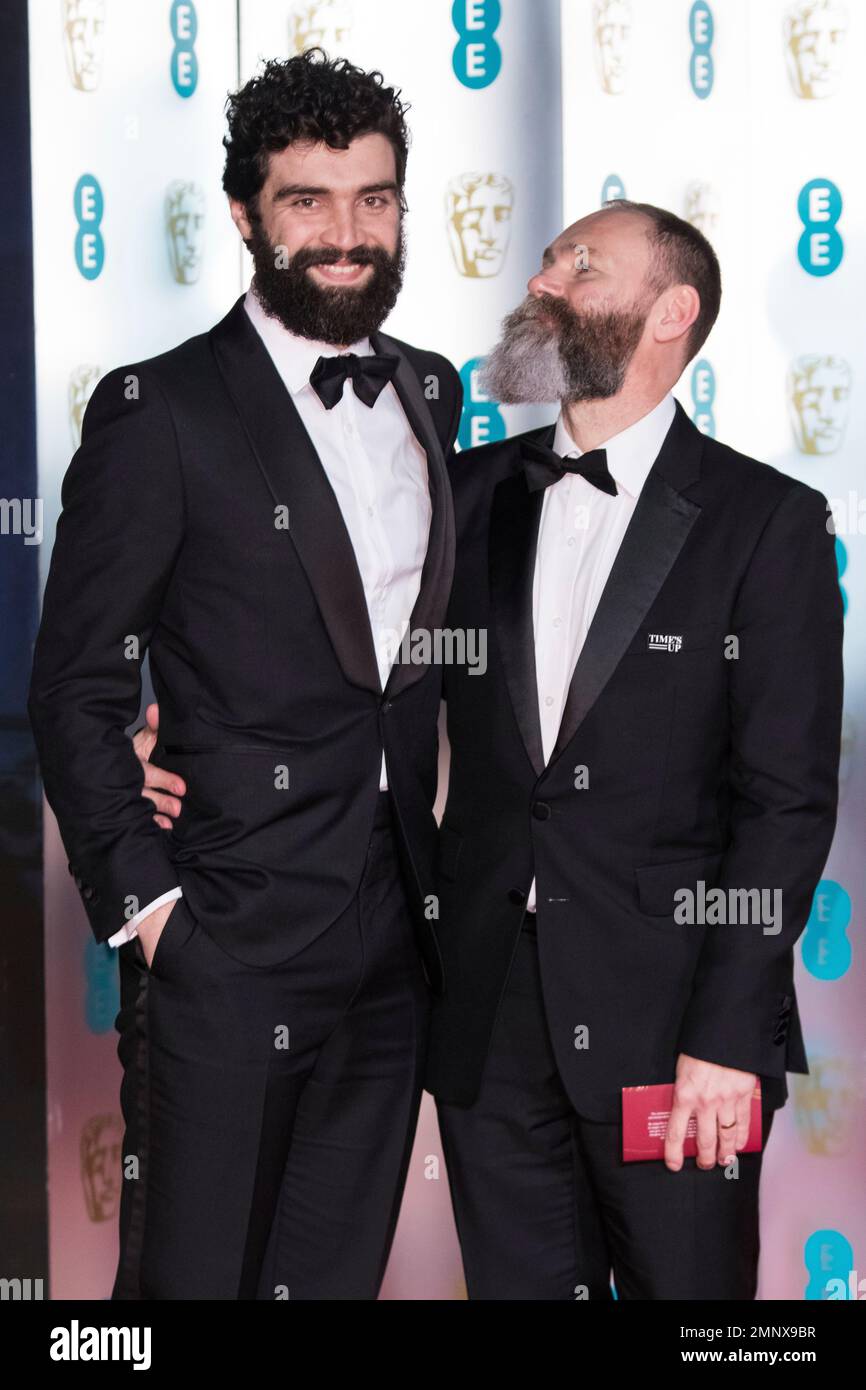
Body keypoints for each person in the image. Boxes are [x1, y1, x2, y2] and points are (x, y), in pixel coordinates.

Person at [28, 49, 460, 1300]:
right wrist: (155, 915)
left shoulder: (429, 390)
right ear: (242, 215)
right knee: (187, 1290)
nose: (344, 233)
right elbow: (75, 689)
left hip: (392, 948)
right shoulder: (159, 412)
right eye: (306, 201)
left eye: (372, 198)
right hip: (222, 941)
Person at [424, 200, 843, 1299]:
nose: (544, 279)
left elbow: (785, 803)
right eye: (552, 257)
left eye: (581, 264)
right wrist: (170, 724)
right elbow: (359, 684)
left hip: (677, 1026)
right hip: (488, 1021)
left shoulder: (769, 522)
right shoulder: (465, 497)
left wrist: (725, 1036)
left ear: (672, 312)